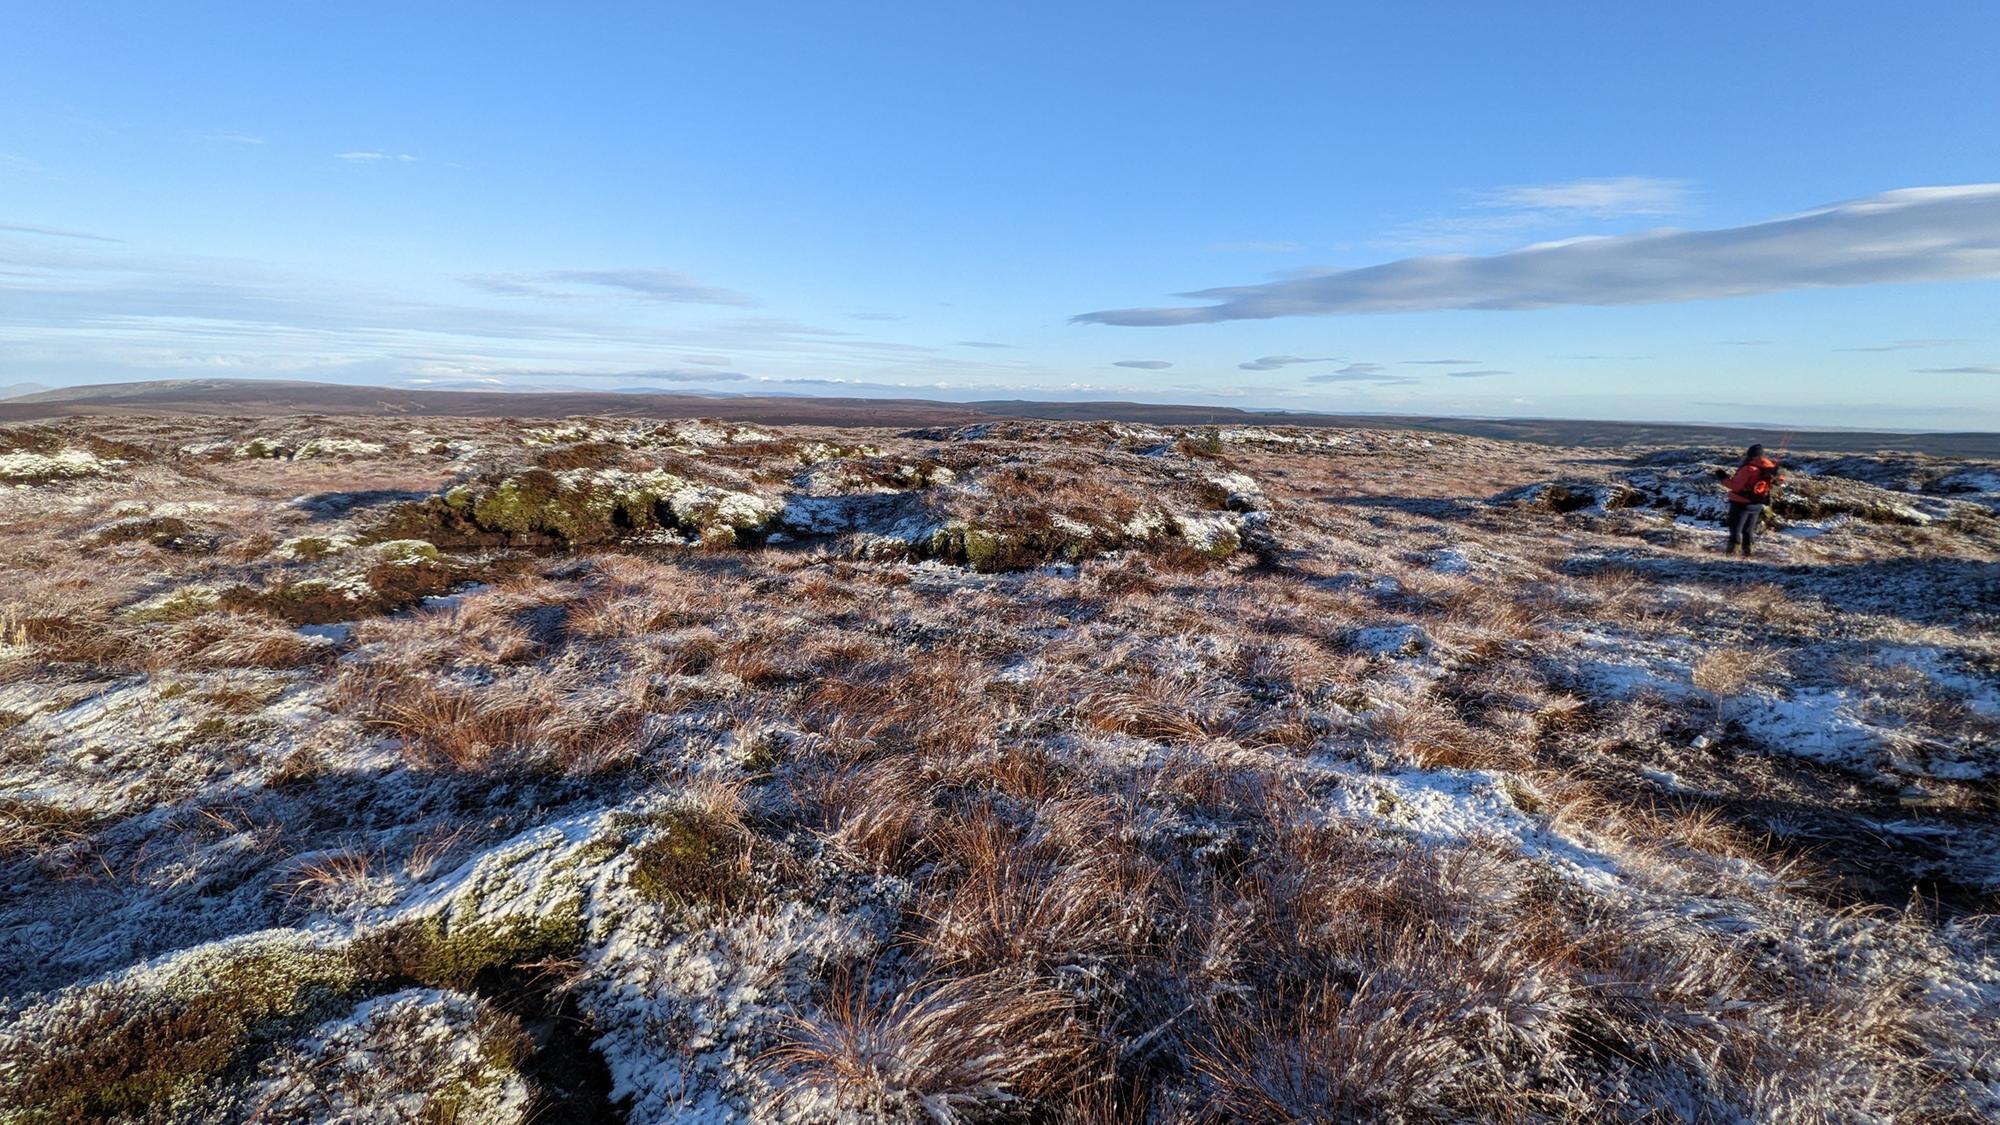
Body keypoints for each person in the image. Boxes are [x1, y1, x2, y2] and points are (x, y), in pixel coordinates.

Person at [1721, 443, 1782, 557]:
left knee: (1735, 530)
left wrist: (1723, 478)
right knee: (1748, 531)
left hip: (1740, 503)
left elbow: (1735, 486)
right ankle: (1748, 554)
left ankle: (1731, 555)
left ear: (1751, 455)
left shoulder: (1749, 468)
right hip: (1757, 504)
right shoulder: (1770, 468)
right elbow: (1780, 479)